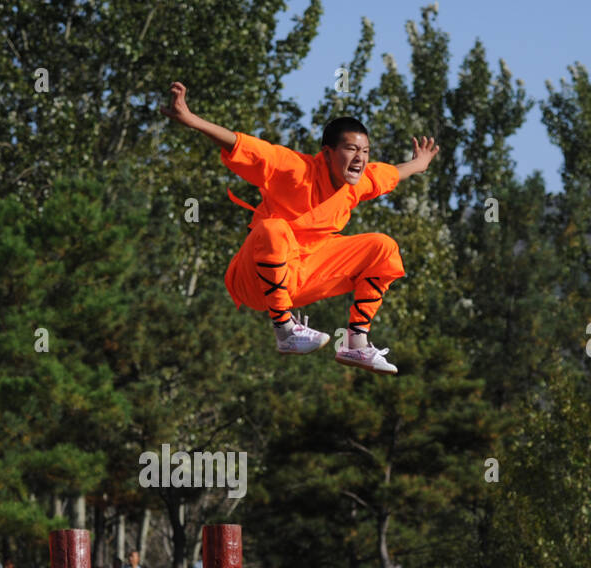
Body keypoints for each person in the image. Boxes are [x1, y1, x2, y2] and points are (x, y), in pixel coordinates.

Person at [162, 84, 439, 375]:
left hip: (301, 277)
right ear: (328, 153)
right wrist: (192, 120)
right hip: (255, 277)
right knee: (274, 229)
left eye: (365, 151)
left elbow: (392, 174)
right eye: (351, 149)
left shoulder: (358, 183)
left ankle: (356, 342)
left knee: (383, 247)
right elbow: (243, 146)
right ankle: (284, 330)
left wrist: (419, 163)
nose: (360, 158)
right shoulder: (295, 170)